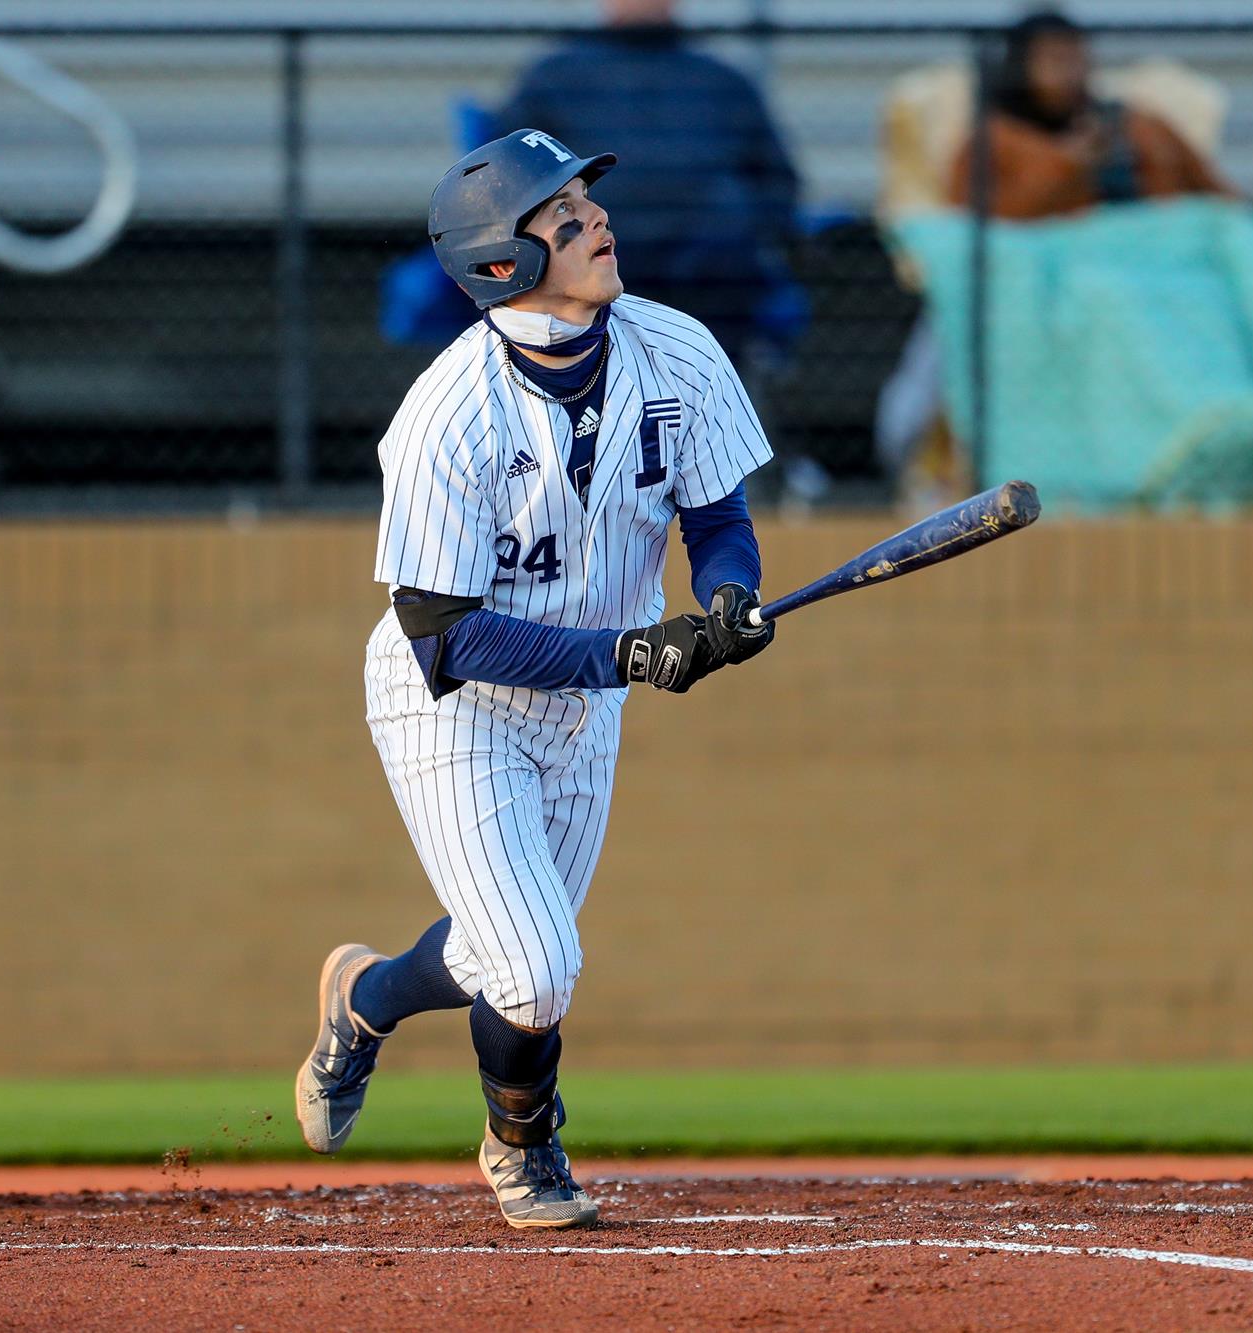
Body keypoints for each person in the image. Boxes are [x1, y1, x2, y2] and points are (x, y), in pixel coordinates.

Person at [293, 128, 777, 1230]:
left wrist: (729, 593)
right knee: (534, 965)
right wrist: (628, 653)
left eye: (587, 206)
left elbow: (716, 516)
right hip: (453, 705)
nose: (597, 222)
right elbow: (441, 635)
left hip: (584, 705)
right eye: (563, 218)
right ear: (503, 263)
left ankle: (363, 999)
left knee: (505, 956)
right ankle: (523, 1144)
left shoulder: (676, 348)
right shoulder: (445, 415)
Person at [496, 0, 799, 362]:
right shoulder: (555, 77)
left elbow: (778, 182)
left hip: (710, 288)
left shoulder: (722, 81)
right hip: (590, 282)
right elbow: (507, 180)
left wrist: (734, 230)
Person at [947, 8, 1231, 221]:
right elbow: (973, 232)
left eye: (1079, 59)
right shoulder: (994, 141)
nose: (1073, 73)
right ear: (1020, 68)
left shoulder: (1139, 126)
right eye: (1057, 61)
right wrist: (1068, 163)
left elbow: (1217, 195)